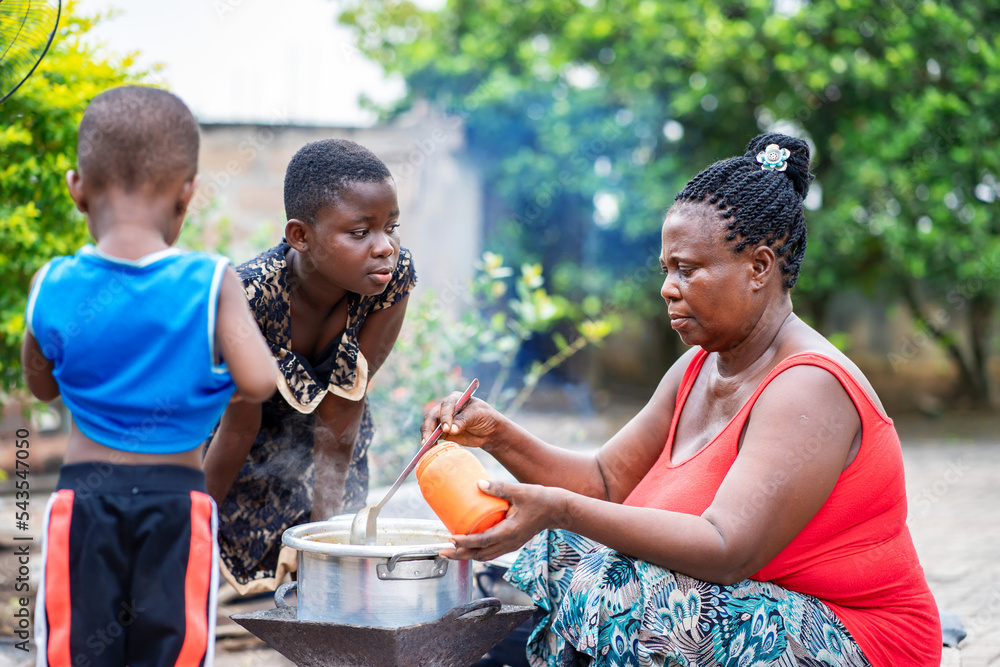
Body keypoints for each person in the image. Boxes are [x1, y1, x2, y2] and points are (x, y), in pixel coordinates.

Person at [425, 133, 941, 666]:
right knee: (566, 561)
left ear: (759, 267)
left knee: (610, 579)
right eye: (666, 271)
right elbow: (606, 481)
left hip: (857, 639)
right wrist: (498, 435)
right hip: (754, 608)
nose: (669, 288)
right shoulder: (699, 365)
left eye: (688, 270)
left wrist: (560, 511)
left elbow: (726, 551)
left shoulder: (809, 385)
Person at [21, 85, 277, 666]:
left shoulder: (53, 284)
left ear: (77, 189)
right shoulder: (210, 282)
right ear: (187, 193)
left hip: (83, 503)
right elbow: (259, 382)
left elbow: (41, 385)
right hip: (177, 506)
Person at [202, 138, 416, 594]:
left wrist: (320, 542)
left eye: (391, 227)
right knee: (207, 552)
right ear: (300, 236)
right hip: (243, 440)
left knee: (332, 573)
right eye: (360, 232)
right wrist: (191, 529)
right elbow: (238, 428)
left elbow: (343, 406)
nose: (385, 247)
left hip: (337, 433)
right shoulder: (250, 297)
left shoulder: (392, 278)